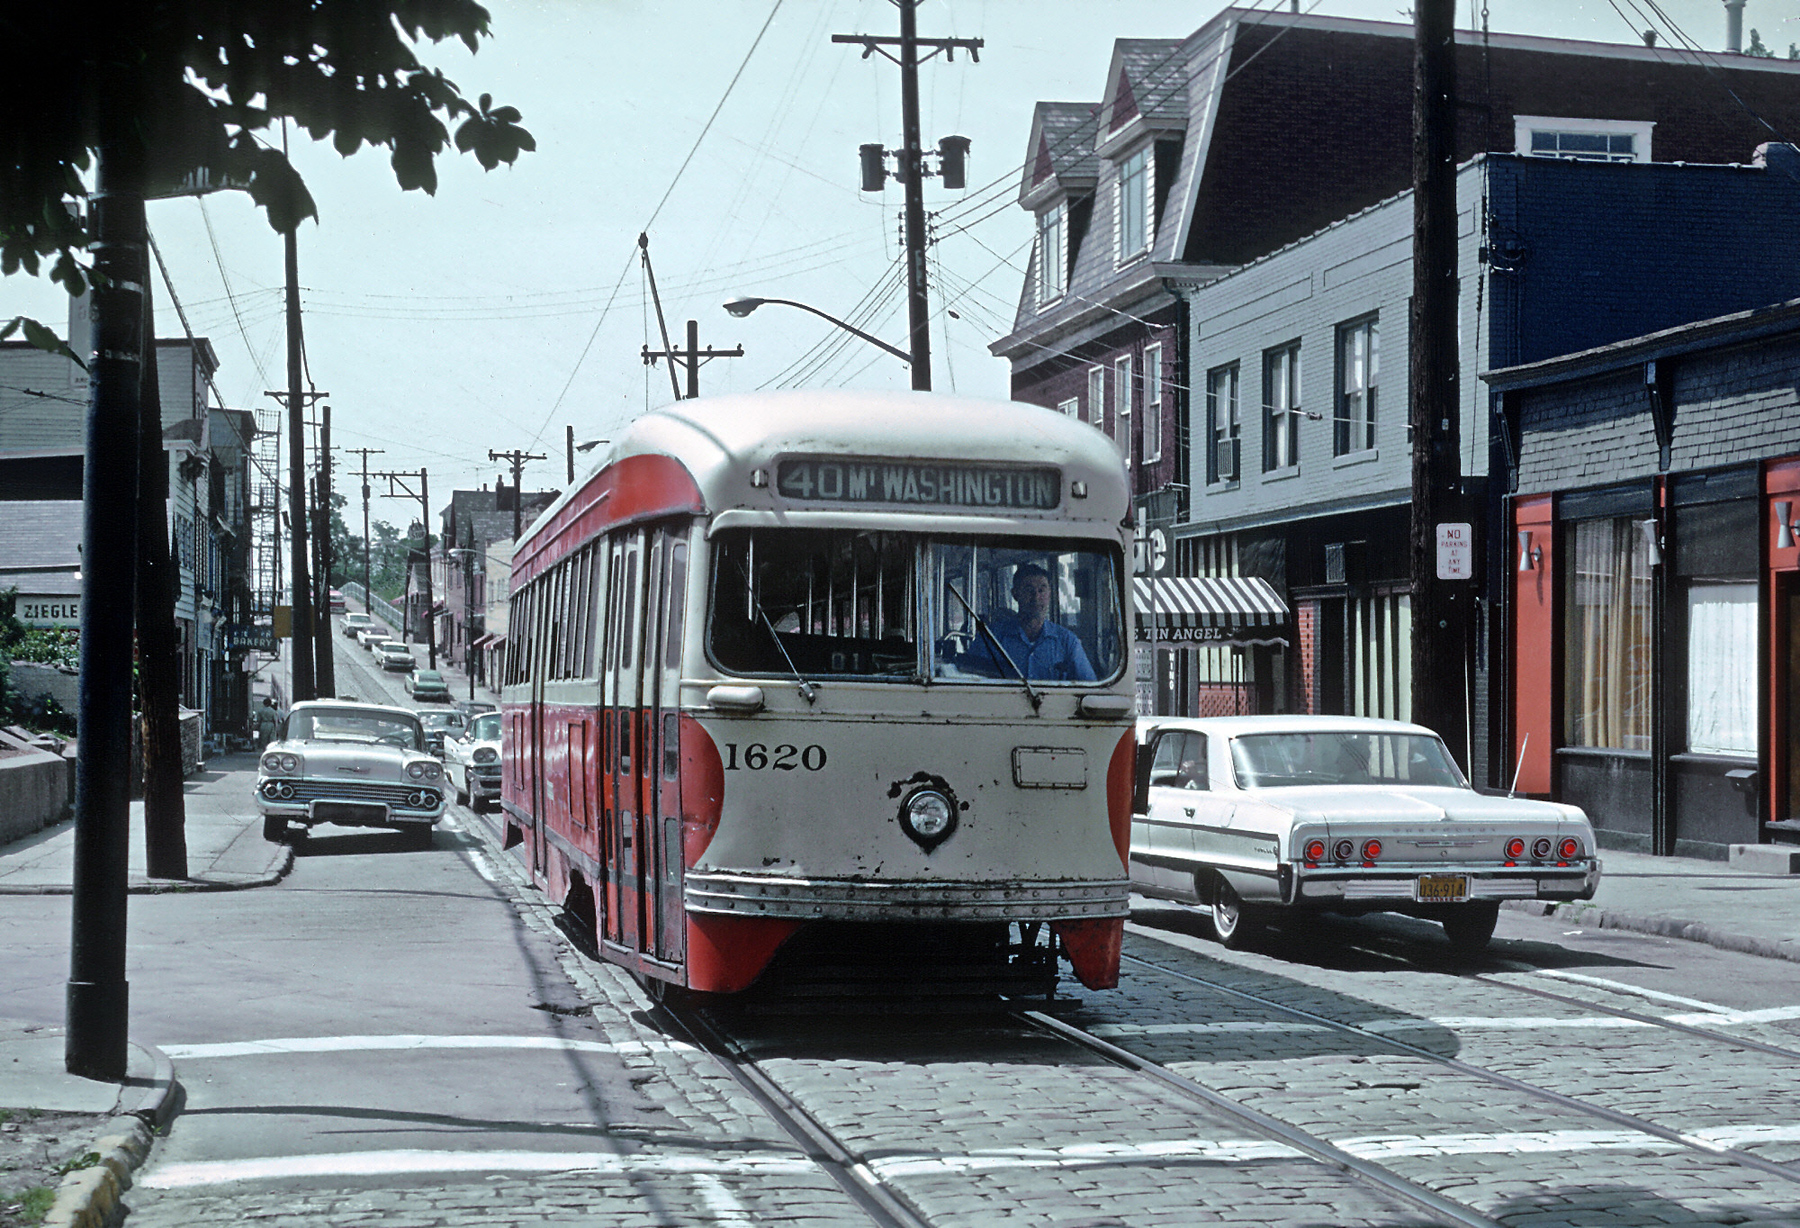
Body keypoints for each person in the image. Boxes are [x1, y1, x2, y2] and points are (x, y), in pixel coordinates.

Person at [956, 563, 1096, 682]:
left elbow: (1090, 688)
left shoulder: (1068, 642)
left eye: (1042, 590)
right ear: (1015, 594)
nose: (1036, 597)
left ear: (1050, 594)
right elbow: (970, 682)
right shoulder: (990, 639)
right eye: (1029, 590)